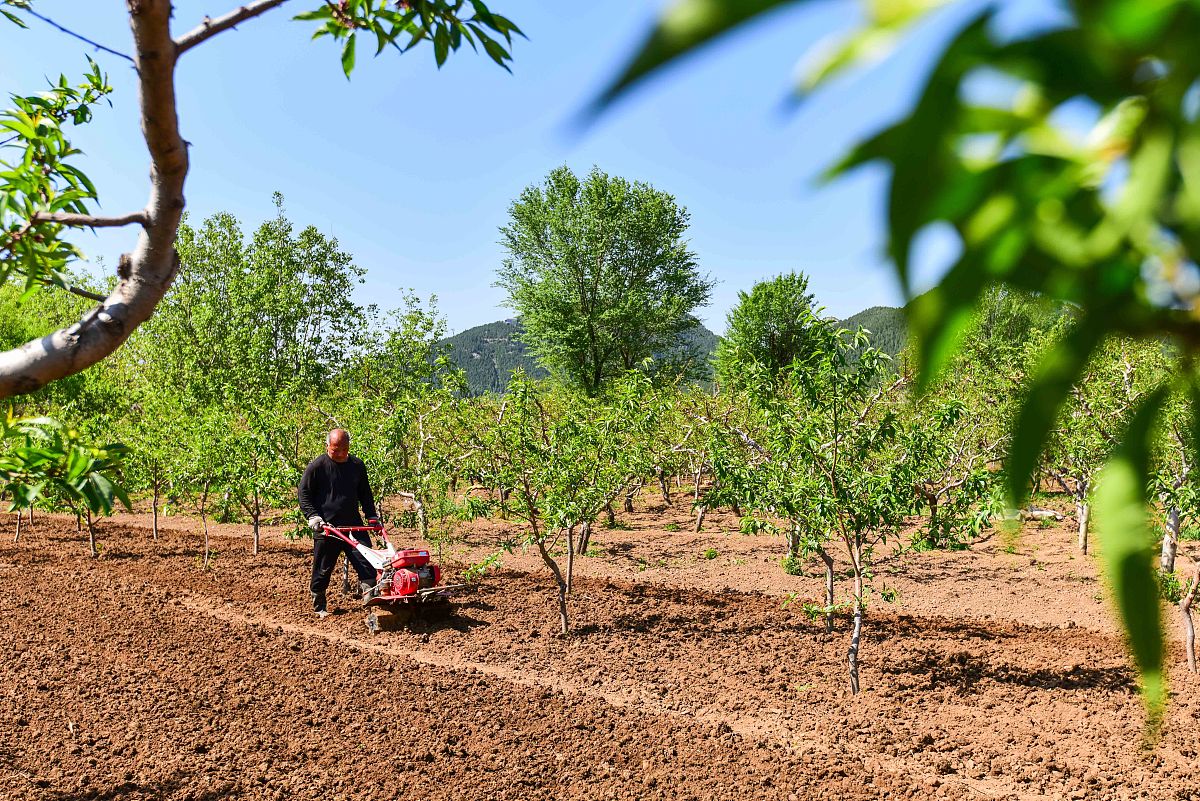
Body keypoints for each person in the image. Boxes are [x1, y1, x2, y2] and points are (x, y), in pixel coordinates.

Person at [298, 428, 380, 618]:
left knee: (367, 563)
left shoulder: (357, 466)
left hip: (354, 525)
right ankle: (319, 607)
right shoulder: (317, 467)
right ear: (327, 446)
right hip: (327, 528)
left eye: (344, 449)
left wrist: (371, 516)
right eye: (336, 450)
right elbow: (304, 494)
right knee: (323, 569)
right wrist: (313, 516)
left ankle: (372, 602)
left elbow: (365, 494)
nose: (341, 453)